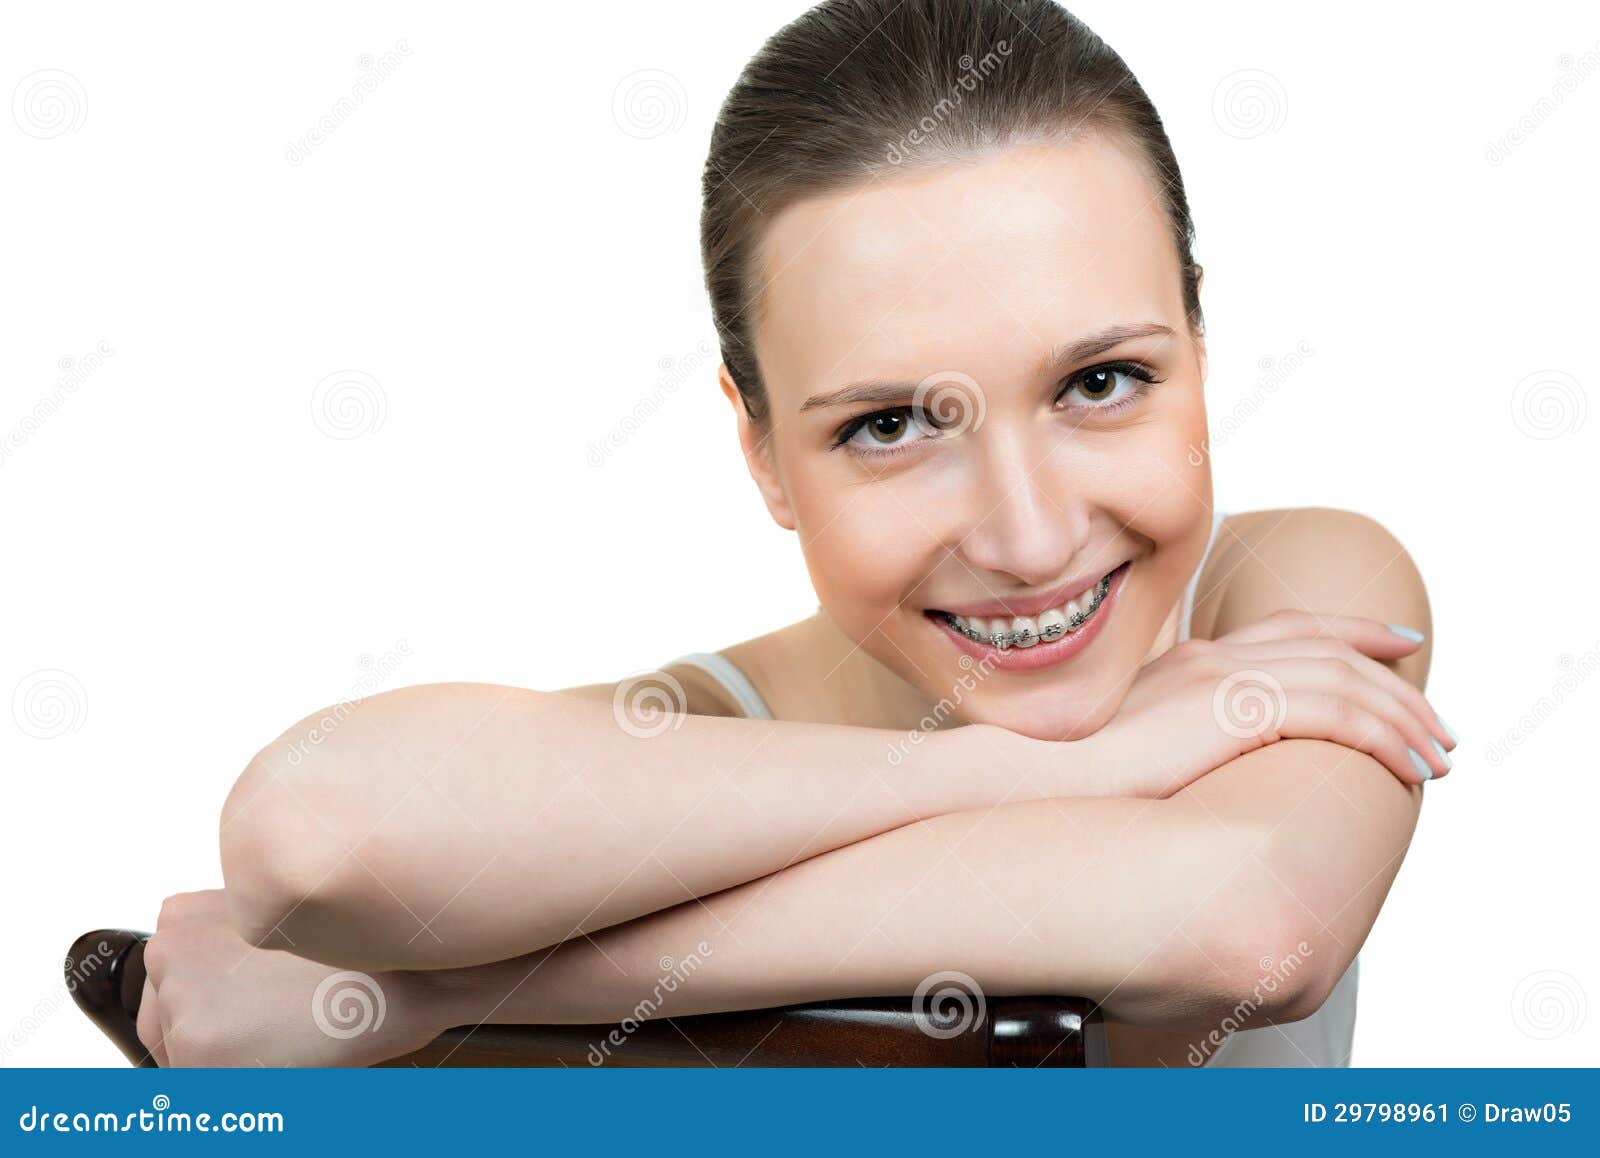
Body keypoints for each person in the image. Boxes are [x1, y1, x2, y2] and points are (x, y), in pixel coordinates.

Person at [138, 0, 1455, 1068]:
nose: (1031, 533)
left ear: (1204, 349)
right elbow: (306, 837)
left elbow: (1251, 925)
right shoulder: (693, 733)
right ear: (762, 449)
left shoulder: (1292, 598)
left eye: (1101, 382)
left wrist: (430, 985)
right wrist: (1081, 764)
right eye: (889, 424)